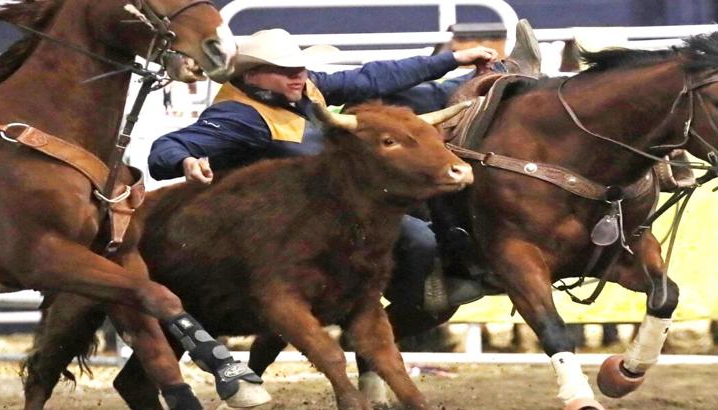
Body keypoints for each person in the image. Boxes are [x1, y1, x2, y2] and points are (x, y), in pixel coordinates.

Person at [148, 29, 495, 323]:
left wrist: (450, 61)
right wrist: (184, 161)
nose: (298, 75)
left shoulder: (304, 88)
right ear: (251, 76)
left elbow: (371, 77)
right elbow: (168, 147)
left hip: (333, 206)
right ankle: (410, 309)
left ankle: (444, 275)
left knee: (419, 187)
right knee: (417, 237)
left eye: (299, 68)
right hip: (295, 224)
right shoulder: (237, 116)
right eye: (284, 70)